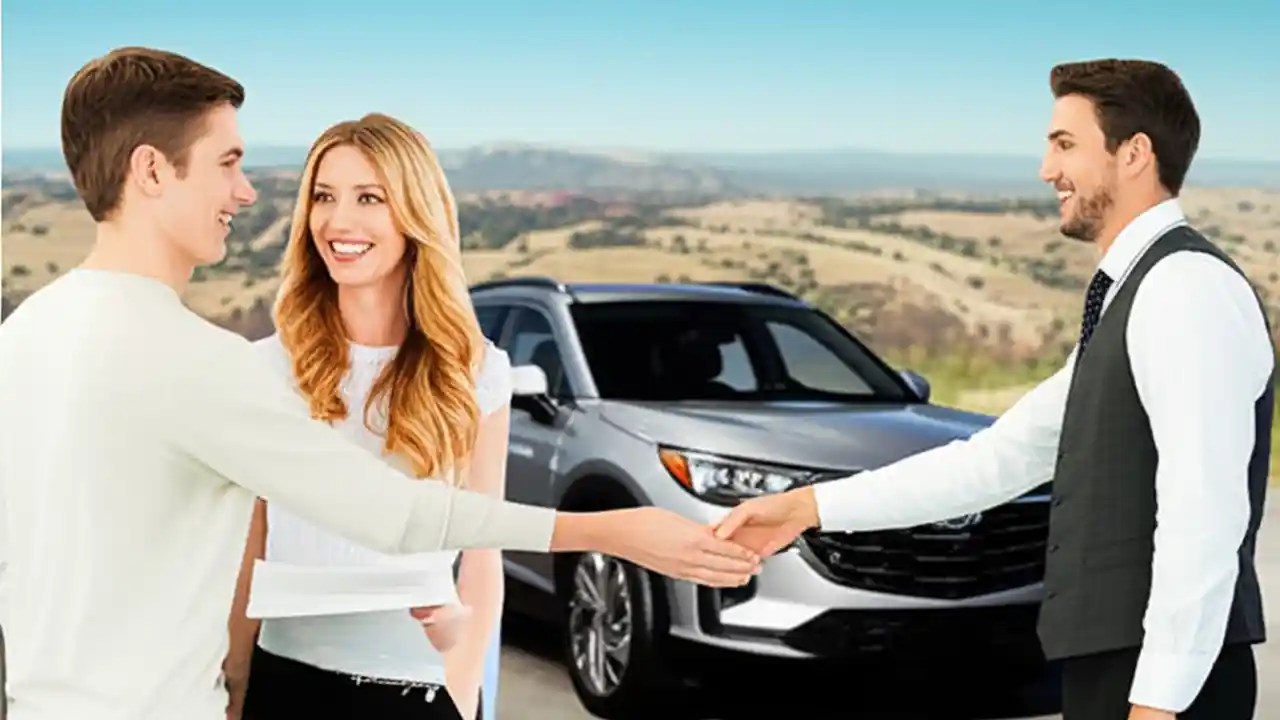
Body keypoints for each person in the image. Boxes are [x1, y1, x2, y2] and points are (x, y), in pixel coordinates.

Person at [0, 46, 759, 720]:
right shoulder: (214, 363)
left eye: (369, 196)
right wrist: (614, 531)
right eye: (228, 163)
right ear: (150, 170)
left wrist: (462, 679)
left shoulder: (24, 335)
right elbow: (388, 514)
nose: (247, 192)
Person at [713, 59, 1272, 720]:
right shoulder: (1136, 295)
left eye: (1065, 143)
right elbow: (995, 460)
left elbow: (1203, 512)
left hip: (1163, 685)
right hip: (1122, 670)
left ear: (1134, 154)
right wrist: (807, 508)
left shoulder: (1184, 288)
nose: (1046, 169)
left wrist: (1158, 699)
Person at [224, 113, 517, 720]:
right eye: (323, 197)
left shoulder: (477, 373)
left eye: (369, 198)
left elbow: (483, 559)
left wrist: (462, 692)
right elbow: (248, 548)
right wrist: (234, 685)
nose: (338, 222)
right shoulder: (264, 371)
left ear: (415, 214)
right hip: (286, 688)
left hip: (422, 694)